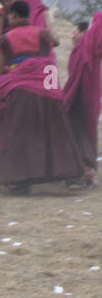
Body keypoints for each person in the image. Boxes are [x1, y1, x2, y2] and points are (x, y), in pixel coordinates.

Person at [0, 0, 88, 193]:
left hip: (20, 88)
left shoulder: (5, 39)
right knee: (56, 130)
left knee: (19, 133)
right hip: (46, 85)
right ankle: (70, 174)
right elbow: (55, 41)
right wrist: (46, 22)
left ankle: (21, 181)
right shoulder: (42, 33)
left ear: (13, 16)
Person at [63, 12, 102, 185]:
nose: (73, 35)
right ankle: (81, 172)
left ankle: (87, 173)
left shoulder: (87, 49)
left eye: (76, 31)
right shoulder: (80, 50)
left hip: (81, 96)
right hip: (82, 95)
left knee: (80, 132)